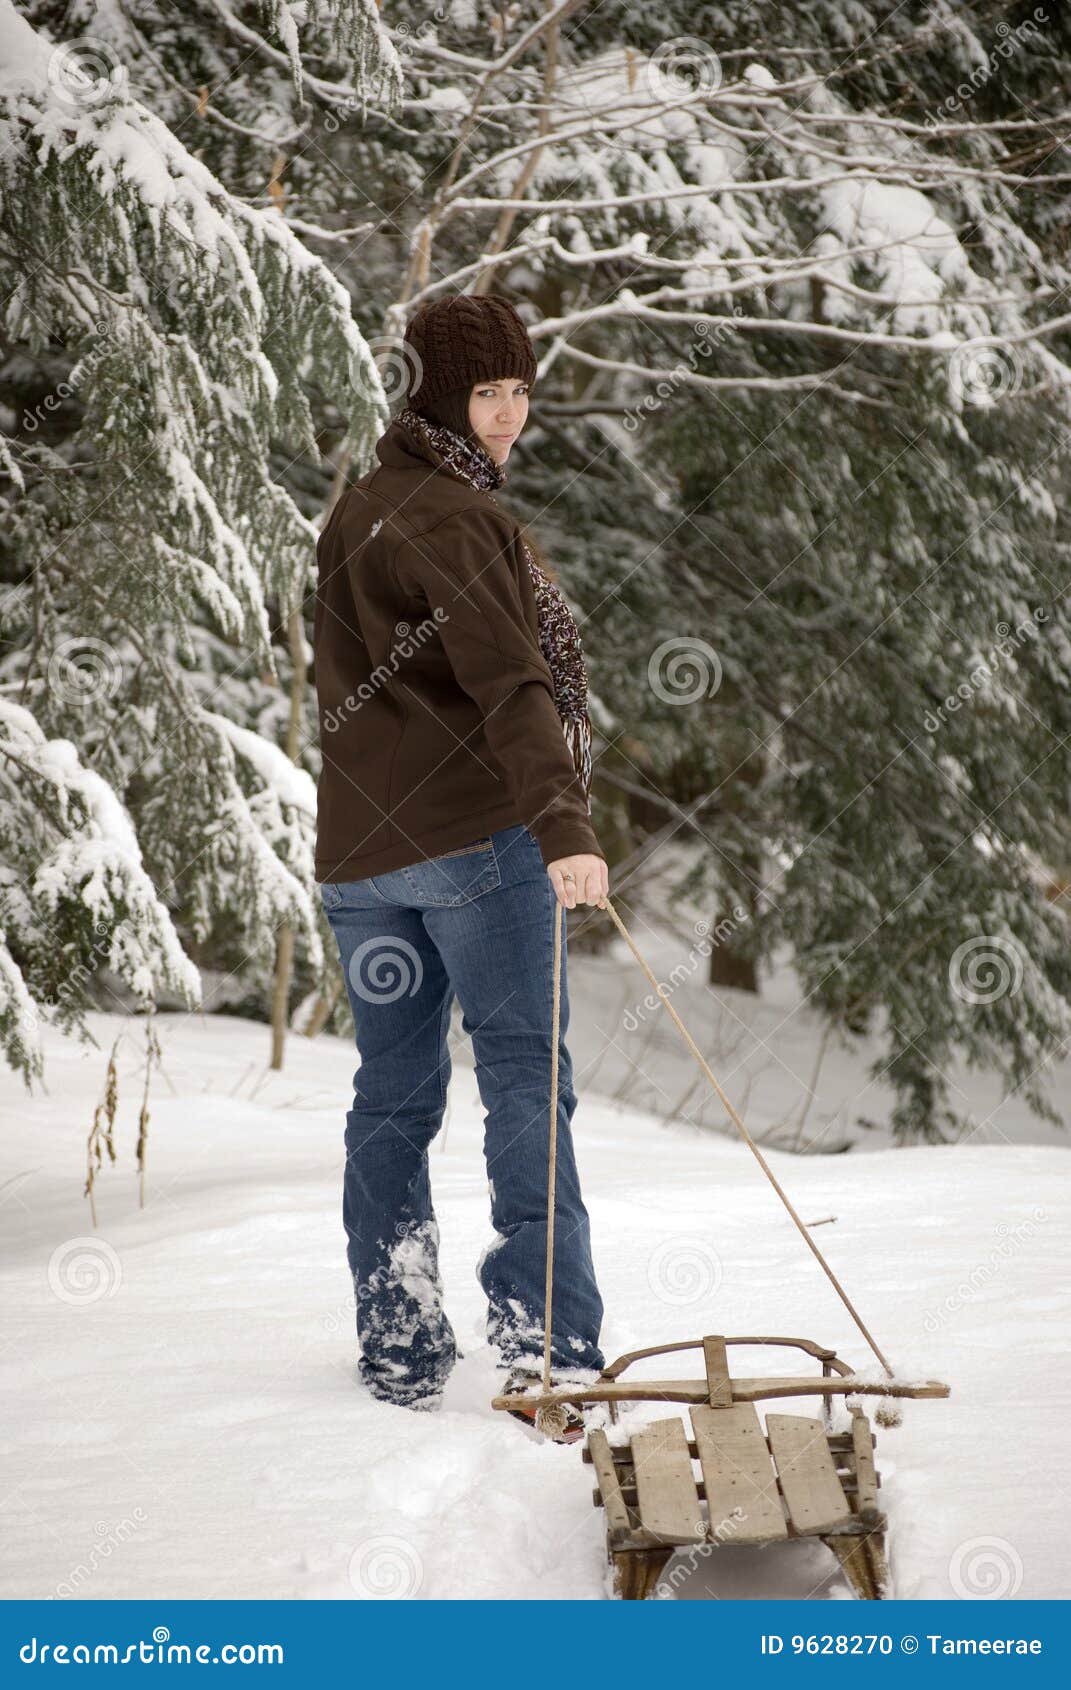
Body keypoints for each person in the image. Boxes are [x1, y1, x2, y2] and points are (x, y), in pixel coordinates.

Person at [312, 292, 608, 1438]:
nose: (508, 416)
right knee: (528, 1078)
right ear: (437, 392)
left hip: (360, 861)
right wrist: (565, 827)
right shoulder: (466, 522)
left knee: (392, 1092)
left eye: (522, 391)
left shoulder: (356, 513)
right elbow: (515, 685)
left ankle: (398, 1340)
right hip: (478, 850)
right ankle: (549, 1345)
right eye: (487, 392)